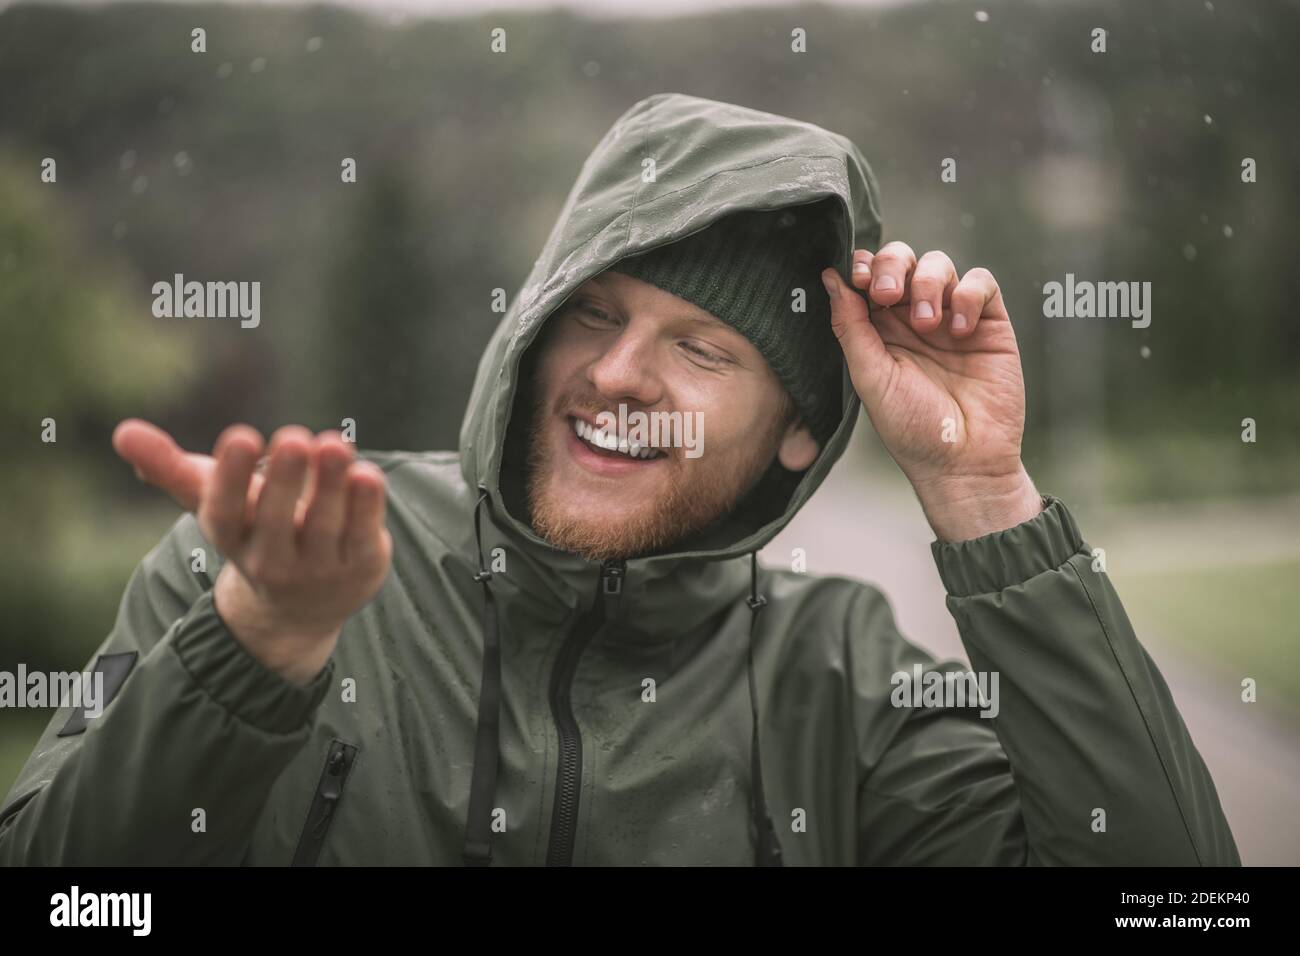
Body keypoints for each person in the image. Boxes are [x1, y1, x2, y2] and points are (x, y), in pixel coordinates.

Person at [0, 92, 1238, 866]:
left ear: (797, 433)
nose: (617, 374)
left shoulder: (846, 686)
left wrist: (983, 494)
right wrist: (256, 650)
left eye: (702, 348)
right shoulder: (275, 560)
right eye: (592, 313)